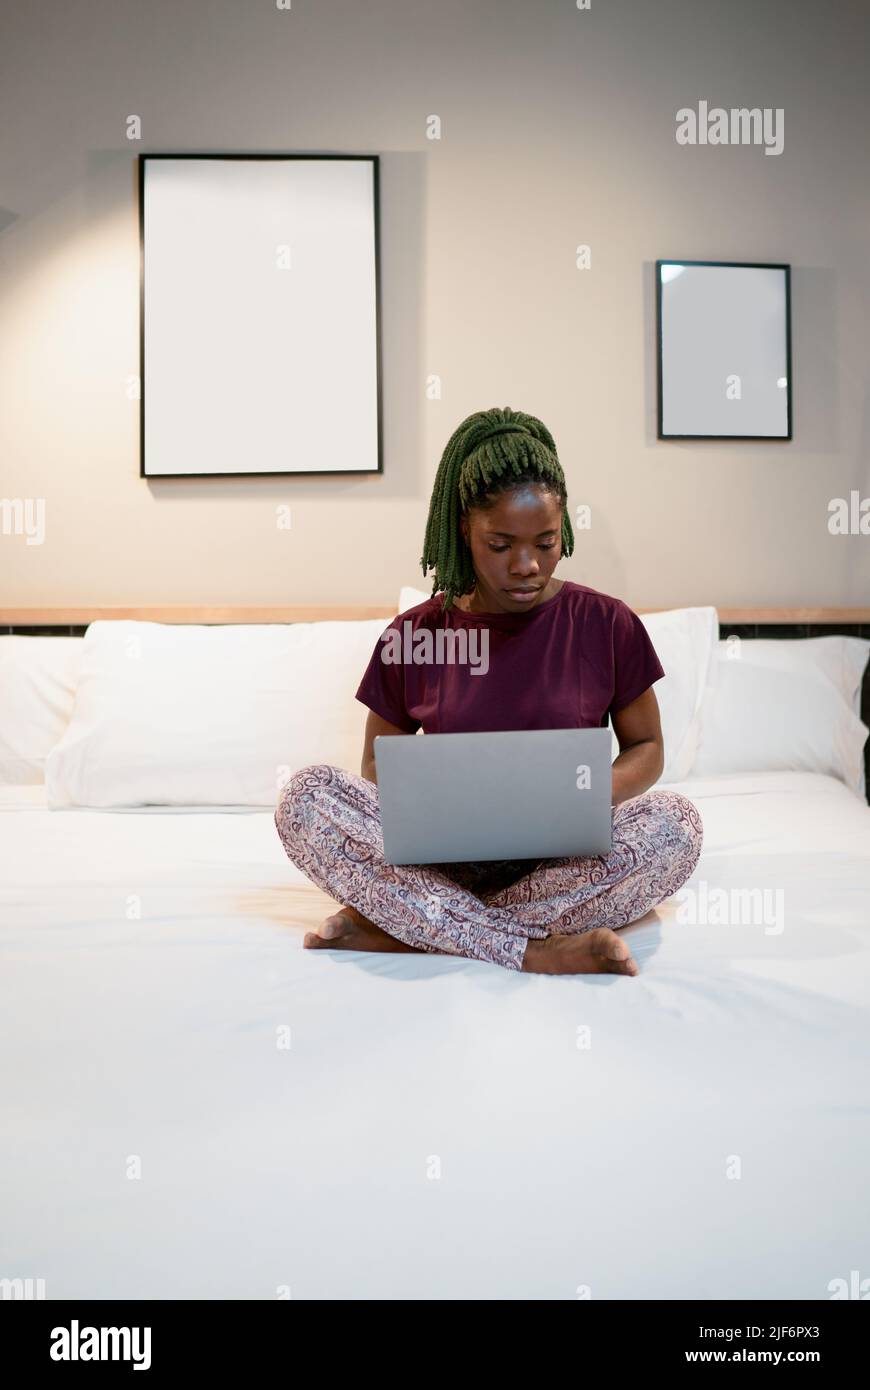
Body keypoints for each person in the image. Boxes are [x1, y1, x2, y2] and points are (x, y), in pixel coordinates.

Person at [274, 406, 703, 974]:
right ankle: (532, 948)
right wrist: (443, 809)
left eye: (546, 542)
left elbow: (647, 749)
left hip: (561, 858)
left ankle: (411, 927)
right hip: (446, 859)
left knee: (677, 825)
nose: (527, 565)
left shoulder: (606, 623)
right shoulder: (415, 635)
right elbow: (379, 774)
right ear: (464, 533)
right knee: (304, 798)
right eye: (501, 545)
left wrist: (584, 795)